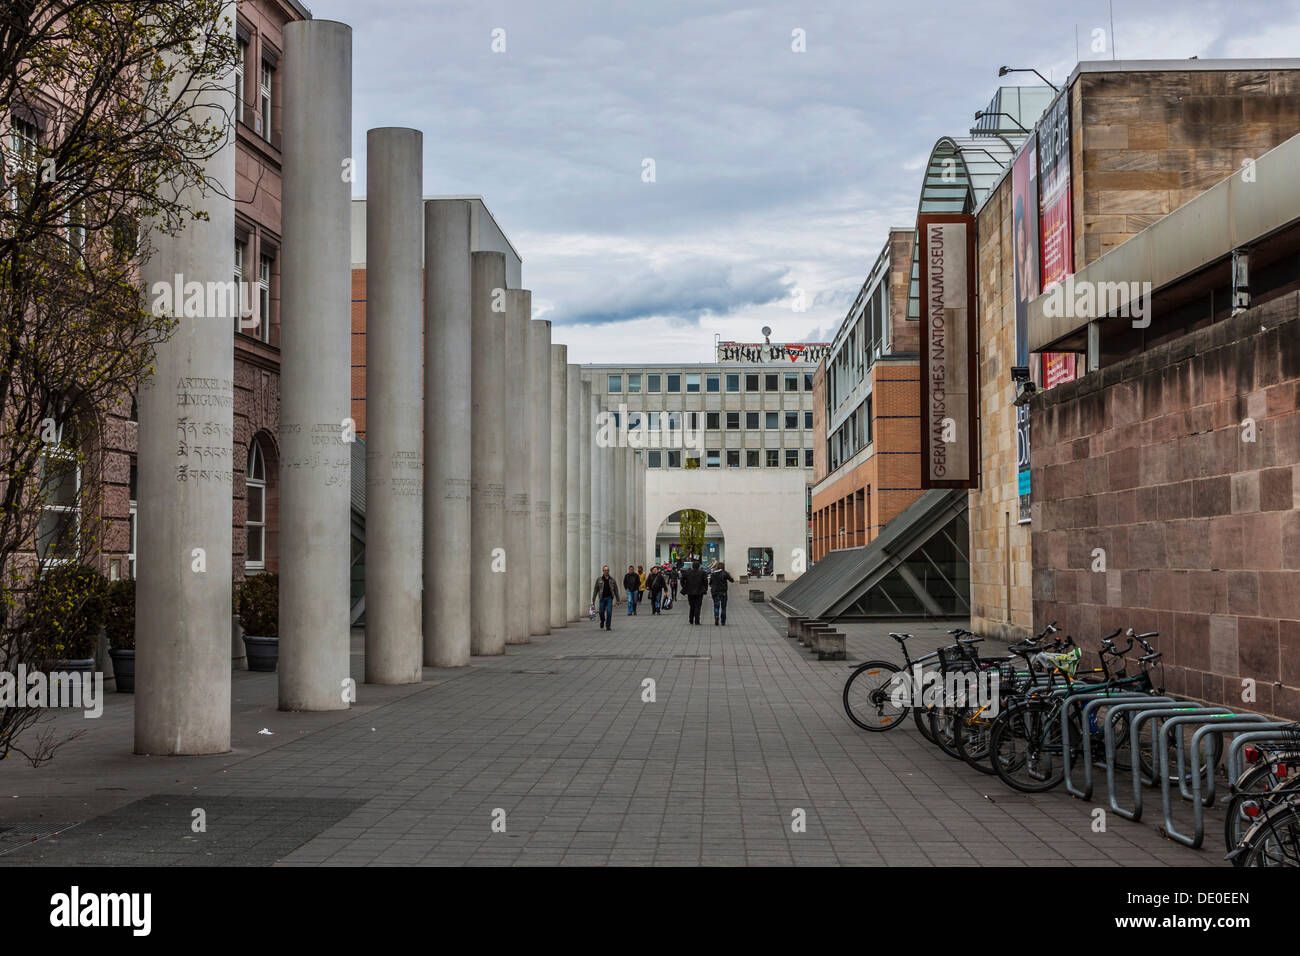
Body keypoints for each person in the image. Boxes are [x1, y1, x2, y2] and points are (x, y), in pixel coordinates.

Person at [590, 566, 620, 631]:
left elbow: (616, 590)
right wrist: (593, 599)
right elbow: (596, 589)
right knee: (601, 612)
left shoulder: (612, 579)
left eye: (607, 570)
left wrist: (618, 600)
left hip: (609, 598)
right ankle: (602, 620)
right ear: (603, 571)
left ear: (609, 571)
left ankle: (608, 626)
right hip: (602, 598)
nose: (606, 571)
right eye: (605, 570)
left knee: (609, 612)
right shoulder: (599, 579)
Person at [680, 560, 709, 625]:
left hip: (690, 592)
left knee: (692, 606)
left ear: (692, 566)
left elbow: (682, 580)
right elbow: (705, 582)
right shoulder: (702, 573)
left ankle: (691, 620)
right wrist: (705, 589)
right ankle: (697, 621)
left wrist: (684, 587)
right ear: (699, 566)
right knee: (698, 606)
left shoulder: (687, 572)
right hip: (699, 592)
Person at [709, 561, 736, 626]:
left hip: (715, 592)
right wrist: (730, 575)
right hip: (723, 592)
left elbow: (710, 583)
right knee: (723, 607)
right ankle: (723, 622)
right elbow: (732, 580)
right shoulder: (725, 573)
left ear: (717, 567)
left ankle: (716, 616)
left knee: (716, 606)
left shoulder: (713, 574)